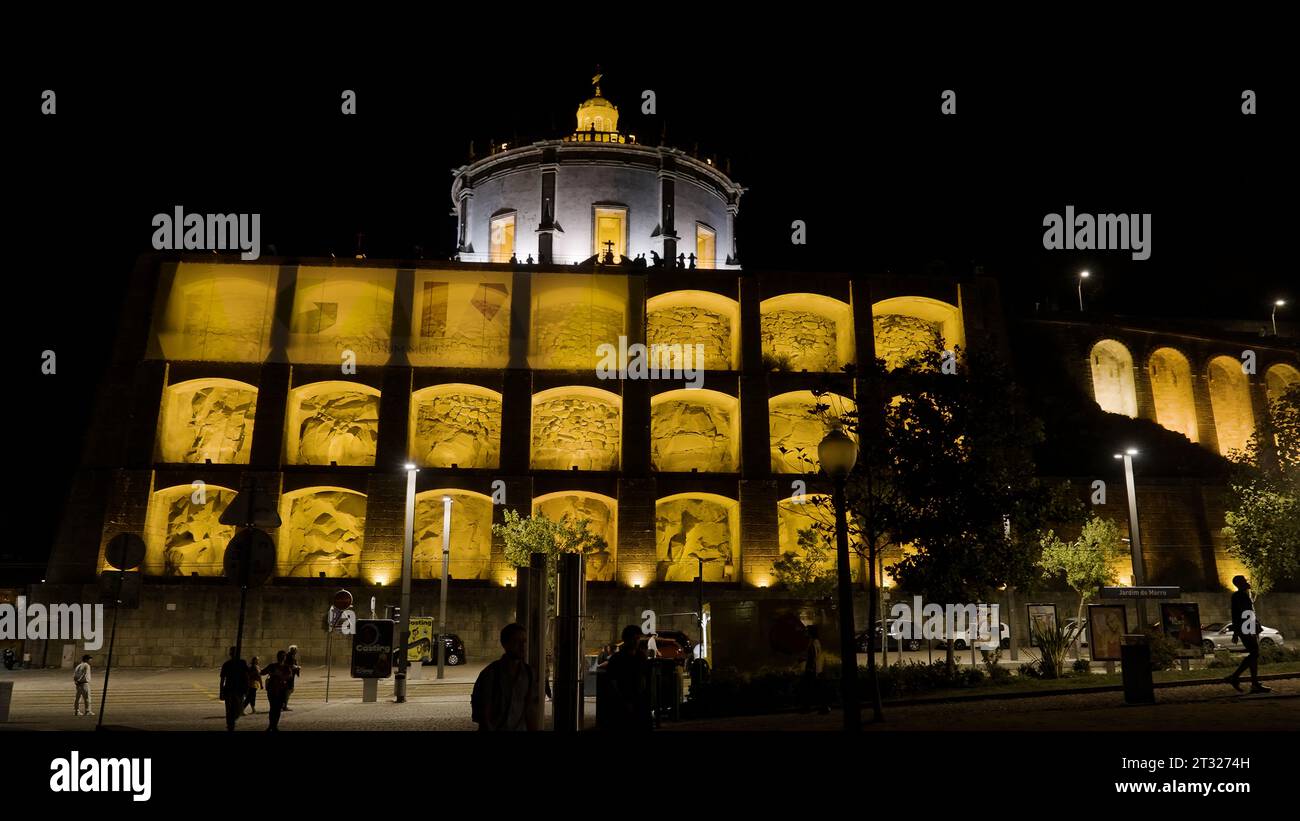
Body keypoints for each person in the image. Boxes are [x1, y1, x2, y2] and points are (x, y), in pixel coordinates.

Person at [472, 623, 537, 731]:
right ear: (505, 644)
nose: (522, 646)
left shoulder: (529, 673)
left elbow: (530, 709)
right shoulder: (490, 674)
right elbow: (483, 712)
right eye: (517, 641)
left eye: (524, 641)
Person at [1225, 575, 1272, 694]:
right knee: (1254, 653)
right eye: (1245, 581)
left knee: (1254, 654)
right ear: (1240, 583)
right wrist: (1249, 630)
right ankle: (1235, 677)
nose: (1247, 582)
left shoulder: (1241, 595)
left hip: (1246, 628)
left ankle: (1254, 683)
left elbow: (1238, 614)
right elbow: (1244, 613)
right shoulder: (1240, 595)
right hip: (1246, 629)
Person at [603, 625, 651, 731]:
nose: (636, 641)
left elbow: (644, 678)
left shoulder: (641, 656)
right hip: (623, 702)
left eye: (638, 638)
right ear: (626, 639)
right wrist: (623, 700)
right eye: (634, 638)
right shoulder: (617, 659)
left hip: (639, 701)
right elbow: (613, 682)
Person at [801, 625, 830, 715]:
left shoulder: (813, 642)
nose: (805, 632)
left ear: (810, 633)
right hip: (816, 669)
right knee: (814, 688)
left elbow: (813, 656)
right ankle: (820, 707)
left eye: (807, 631)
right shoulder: (816, 642)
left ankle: (812, 707)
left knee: (809, 688)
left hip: (812, 669)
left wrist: (810, 667)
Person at [219, 647, 249, 731]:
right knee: (231, 709)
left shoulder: (241, 663)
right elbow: (222, 679)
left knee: (237, 709)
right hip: (231, 689)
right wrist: (221, 692)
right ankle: (230, 724)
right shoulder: (230, 664)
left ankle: (231, 722)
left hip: (237, 689)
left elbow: (246, 676)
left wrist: (246, 688)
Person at [262, 650, 290, 731]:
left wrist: (279, 675)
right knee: (273, 708)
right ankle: (272, 725)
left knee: (277, 709)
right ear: (278, 657)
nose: (282, 657)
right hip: (272, 690)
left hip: (281, 690)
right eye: (281, 656)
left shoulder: (286, 667)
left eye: (283, 656)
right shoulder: (272, 666)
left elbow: (288, 676)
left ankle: (274, 725)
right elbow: (263, 672)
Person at [282, 645, 301, 710]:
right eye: (295, 650)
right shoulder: (290, 656)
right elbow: (290, 666)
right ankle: (284, 705)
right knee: (289, 690)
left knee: (289, 690)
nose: (296, 651)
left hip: (289, 675)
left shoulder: (290, 656)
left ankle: (284, 704)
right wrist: (297, 667)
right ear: (293, 650)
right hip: (289, 676)